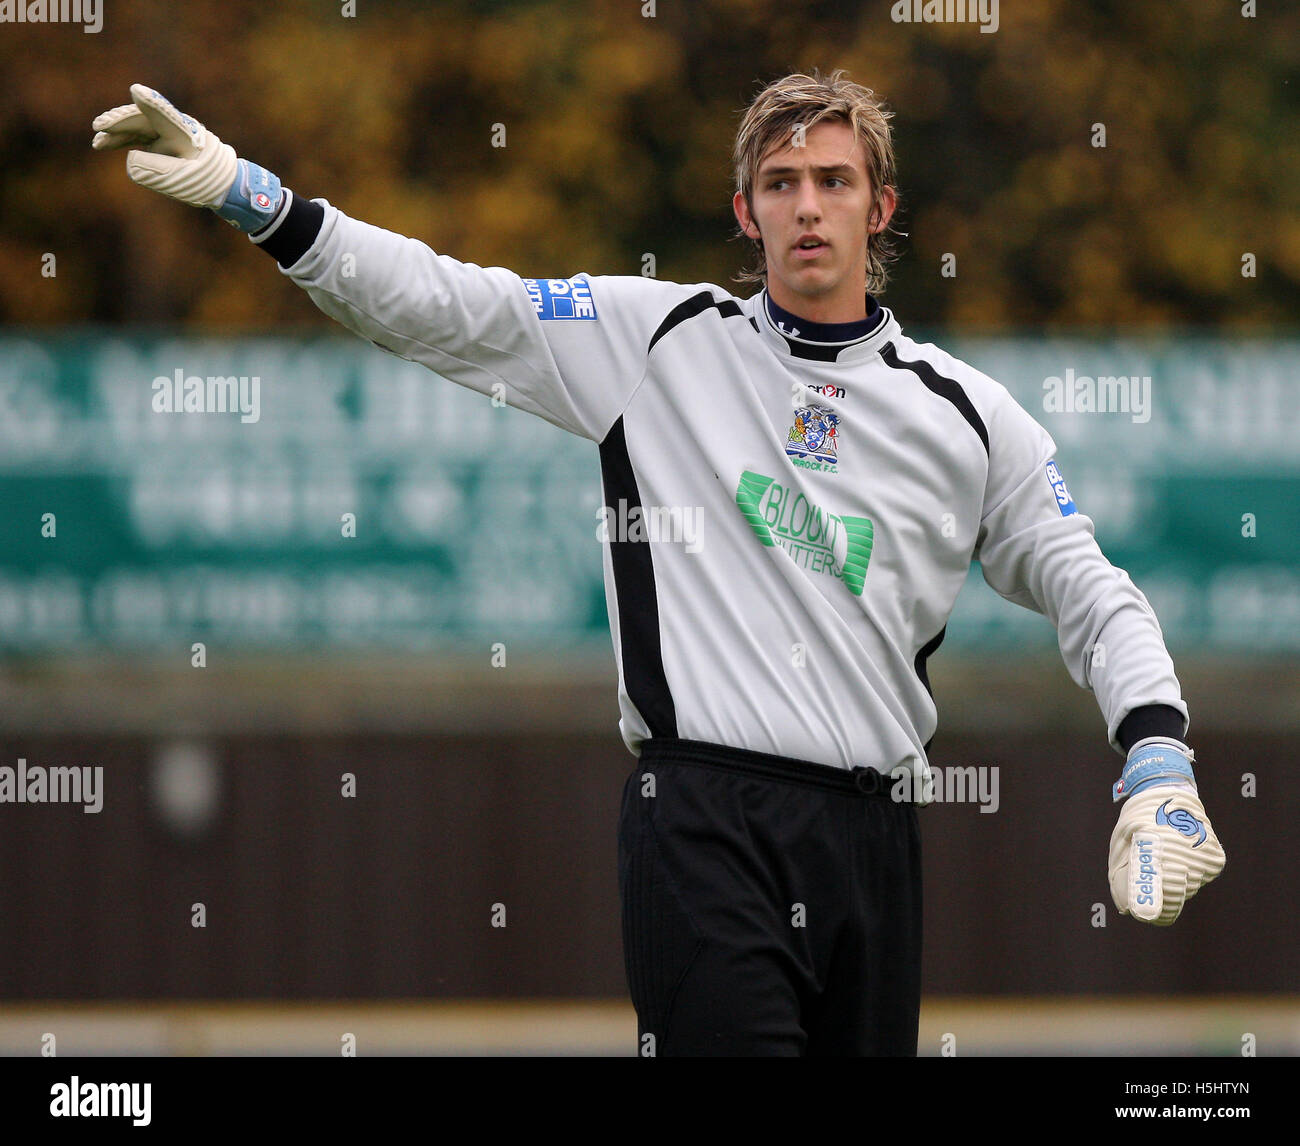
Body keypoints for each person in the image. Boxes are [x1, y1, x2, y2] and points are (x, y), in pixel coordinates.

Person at [92, 69, 1225, 1057]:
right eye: (780, 184)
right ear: (745, 211)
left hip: (874, 840)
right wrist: (254, 197)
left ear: (881, 208)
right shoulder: (654, 340)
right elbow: (440, 305)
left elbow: (1090, 589)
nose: (808, 206)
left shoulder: (968, 416)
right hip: (703, 821)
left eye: (834, 180)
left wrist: (1158, 759)